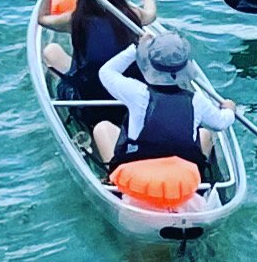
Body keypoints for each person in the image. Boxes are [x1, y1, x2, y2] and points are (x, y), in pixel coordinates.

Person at [93, 26, 237, 178]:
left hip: (138, 174)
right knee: (205, 133)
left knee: (103, 128)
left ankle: (114, 178)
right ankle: (200, 182)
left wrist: (136, 48)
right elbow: (221, 122)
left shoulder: (137, 93)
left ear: (149, 63)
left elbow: (106, 72)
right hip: (181, 177)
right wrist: (229, 109)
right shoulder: (197, 100)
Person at [39, 0, 152, 109]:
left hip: (90, 94)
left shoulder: (75, 20)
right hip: (129, 90)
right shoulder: (132, 15)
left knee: (51, 51)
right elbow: (151, 14)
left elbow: (42, 19)